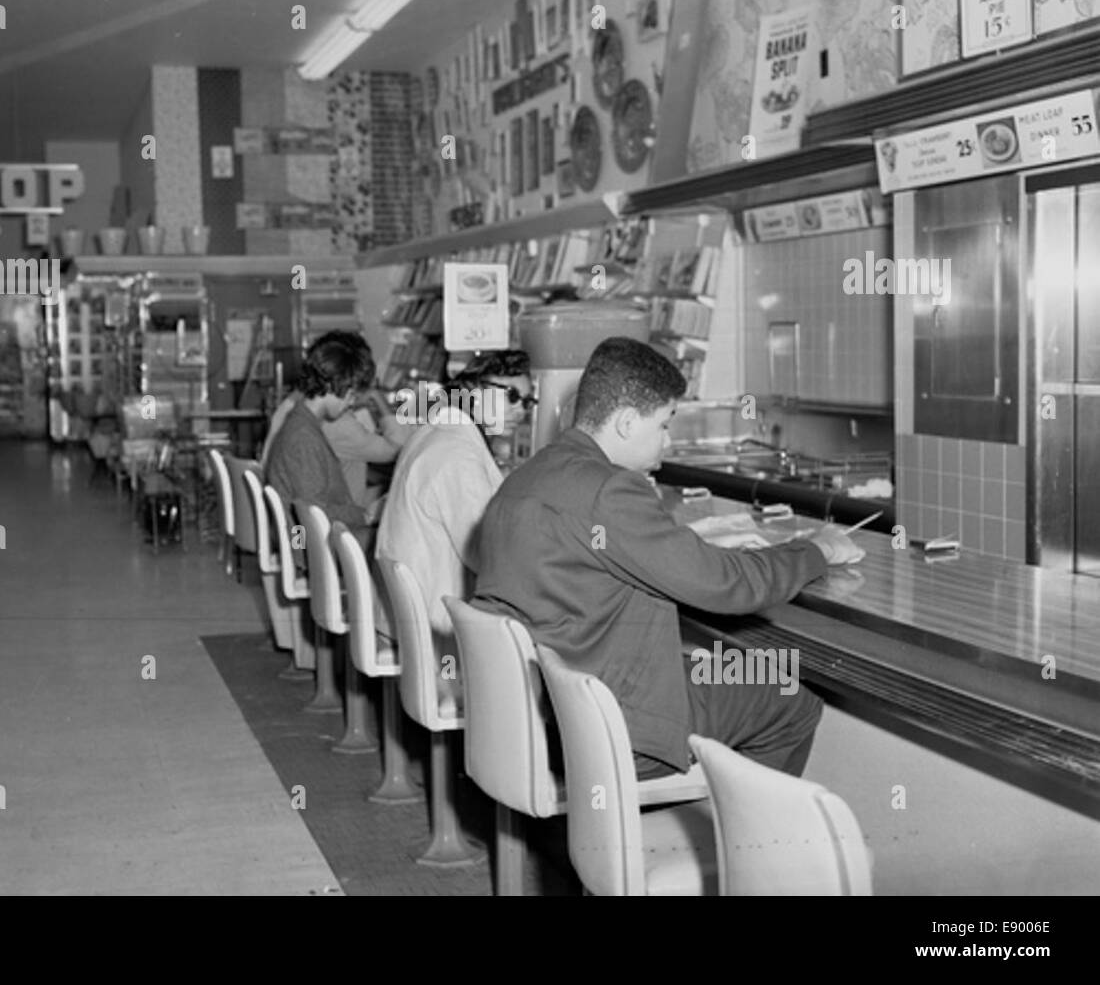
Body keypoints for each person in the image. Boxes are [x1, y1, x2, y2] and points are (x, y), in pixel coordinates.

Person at [472, 337, 863, 778]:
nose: (668, 441)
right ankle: (746, 841)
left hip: (540, 712)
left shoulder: (527, 476)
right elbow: (725, 586)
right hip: (609, 726)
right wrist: (818, 550)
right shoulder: (610, 490)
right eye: (663, 424)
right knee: (792, 696)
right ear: (624, 422)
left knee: (715, 668)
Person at [376, 349, 532, 634]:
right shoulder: (458, 455)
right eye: (510, 395)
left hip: (410, 608)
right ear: (472, 390)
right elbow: (487, 556)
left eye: (526, 401)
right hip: (435, 625)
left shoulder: (439, 429)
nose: (520, 410)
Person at [263, 331, 383, 552]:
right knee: (395, 544)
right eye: (351, 395)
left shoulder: (303, 422)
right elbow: (315, 512)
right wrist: (366, 515)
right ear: (333, 386)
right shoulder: (302, 437)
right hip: (305, 545)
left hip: (304, 538)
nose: (351, 403)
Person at [261, 333, 410, 507]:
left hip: (319, 521)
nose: (353, 401)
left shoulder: (297, 412)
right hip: (324, 528)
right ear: (338, 382)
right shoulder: (310, 434)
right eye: (352, 393)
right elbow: (305, 522)